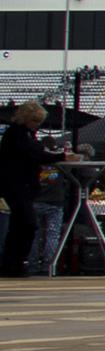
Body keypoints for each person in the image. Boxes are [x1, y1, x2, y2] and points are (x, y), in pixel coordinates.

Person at [2, 102, 56, 276]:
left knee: (20, 225)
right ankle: (14, 263)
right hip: (17, 185)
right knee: (26, 223)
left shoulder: (24, 133)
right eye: (35, 120)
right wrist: (60, 155)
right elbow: (34, 153)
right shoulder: (17, 134)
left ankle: (13, 263)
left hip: (21, 185)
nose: (37, 124)